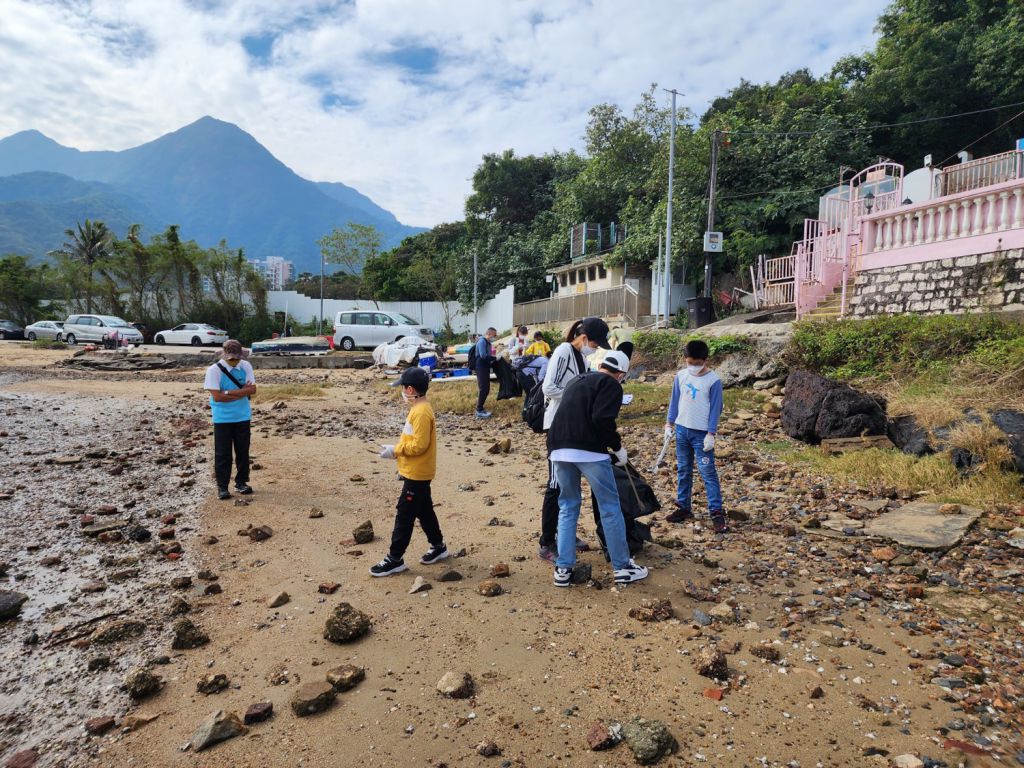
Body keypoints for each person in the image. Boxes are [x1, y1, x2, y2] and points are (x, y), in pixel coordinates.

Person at [547, 350, 648, 586]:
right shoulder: (611, 385)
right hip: (589, 449)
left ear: (602, 365)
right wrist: (617, 447)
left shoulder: (577, 380)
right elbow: (602, 419)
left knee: (568, 506)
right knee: (610, 507)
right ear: (621, 374)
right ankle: (622, 566)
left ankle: (563, 569)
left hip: (558, 448)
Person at [537, 317, 610, 562]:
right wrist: (574, 397)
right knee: (556, 484)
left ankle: (564, 534)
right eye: (596, 344)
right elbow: (549, 387)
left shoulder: (582, 358)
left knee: (571, 486)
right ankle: (547, 542)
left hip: (574, 426)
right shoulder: (563, 351)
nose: (596, 348)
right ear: (584, 338)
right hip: (558, 426)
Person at [371, 366, 448, 576]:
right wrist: (395, 449)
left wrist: (395, 451)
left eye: (403, 388)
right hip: (415, 470)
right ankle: (439, 547)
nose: (402, 392)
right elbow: (413, 440)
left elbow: (420, 445)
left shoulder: (421, 412)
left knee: (404, 515)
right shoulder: (418, 409)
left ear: (411, 390)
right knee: (424, 510)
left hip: (418, 473)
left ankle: (394, 559)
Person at [664, 339, 727, 533]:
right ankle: (684, 506)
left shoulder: (713, 380)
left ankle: (716, 511)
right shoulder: (681, 376)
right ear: (685, 360)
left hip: (701, 434)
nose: (693, 366)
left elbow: (716, 409)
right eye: (690, 362)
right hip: (682, 429)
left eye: (697, 363)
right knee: (683, 469)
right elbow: (675, 401)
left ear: (705, 360)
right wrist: (669, 423)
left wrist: (711, 433)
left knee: (707, 472)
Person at [203, 339, 257, 500]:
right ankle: (222, 487)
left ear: (241, 356)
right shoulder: (214, 370)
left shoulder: (246, 366)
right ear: (224, 356)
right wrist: (241, 392)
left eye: (237, 358)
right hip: (222, 418)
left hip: (242, 416)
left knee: (243, 452)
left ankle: (241, 482)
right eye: (231, 358)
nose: (234, 361)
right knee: (222, 453)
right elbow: (217, 397)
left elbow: (252, 390)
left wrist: (227, 392)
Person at [474, 327, 498, 419]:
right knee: (483, 388)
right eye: (494, 335)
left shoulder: (488, 342)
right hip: (481, 366)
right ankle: (479, 410)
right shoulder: (482, 341)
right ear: (490, 333)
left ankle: (481, 408)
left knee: (486, 388)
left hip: (485, 366)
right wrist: (494, 358)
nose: (495, 337)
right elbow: (483, 355)